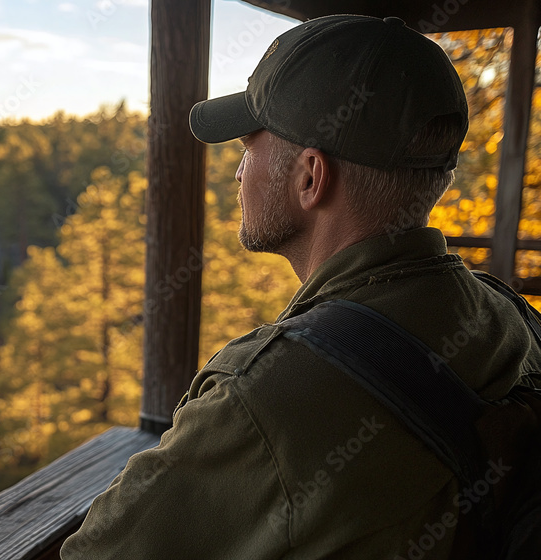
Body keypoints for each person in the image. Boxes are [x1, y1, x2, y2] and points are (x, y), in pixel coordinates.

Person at [60, 14, 541, 560]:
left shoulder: (261, 399)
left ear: (311, 177)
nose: (238, 174)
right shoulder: (511, 318)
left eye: (248, 149)